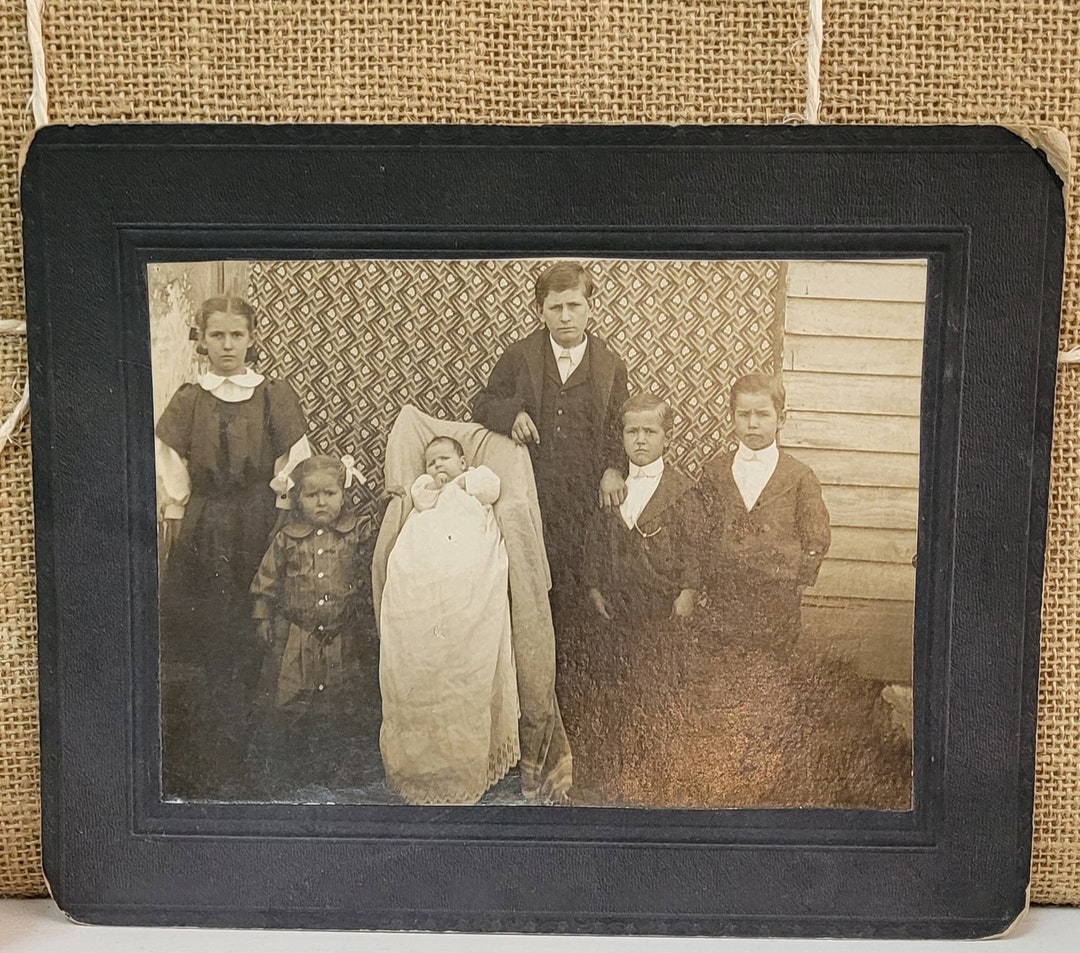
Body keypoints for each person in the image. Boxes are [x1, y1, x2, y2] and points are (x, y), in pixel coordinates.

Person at [156, 295, 311, 798]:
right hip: (204, 527)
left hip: (258, 523)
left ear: (251, 338)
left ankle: (254, 762)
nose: (227, 345)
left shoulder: (273, 396)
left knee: (256, 632)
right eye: (217, 335)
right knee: (207, 638)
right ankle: (206, 758)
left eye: (237, 335)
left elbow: (294, 461)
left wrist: (282, 518)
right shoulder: (189, 398)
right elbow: (170, 461)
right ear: (202, 340)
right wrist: (178, 513)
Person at [471, 261, 629, 619]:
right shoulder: (520, 356)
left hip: (586, 494)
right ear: (539, 310)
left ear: (591, 307)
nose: (565, 316)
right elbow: (482, 403)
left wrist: (613, 468)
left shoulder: (610, 365)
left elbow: (619, 425)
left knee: (583, 584)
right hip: (532, 488)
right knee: (534, 582)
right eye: (555, 307)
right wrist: (512, 414)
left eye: (574, 305)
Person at [378, 436, 520, 804]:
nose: (437, 466)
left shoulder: (475, 479)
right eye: (431, 462)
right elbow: (419, 499)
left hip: (467, 546)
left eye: (444, 459)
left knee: (465, 587)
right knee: (411, 578)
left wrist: (464, 481)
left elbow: (492, 488)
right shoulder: (427, 490)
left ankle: (464, 762)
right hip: (428, 552)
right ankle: (418, 766)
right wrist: (432, 484)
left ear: (462, 461)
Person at [248, 455, 373, 792]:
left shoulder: (354, 534)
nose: (321, 502)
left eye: (329, 494)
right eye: (312, 495)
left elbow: (372, 567)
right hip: (296, 637)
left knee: (339, 701)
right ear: (297, 498)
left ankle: (335, 772)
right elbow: (266, 581)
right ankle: (290, 774)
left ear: (343, 495)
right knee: (291, 699)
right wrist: (262, 617)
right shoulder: (287, 538)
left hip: (340, 636)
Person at [699, 373, 831, 650]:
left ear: (781, 418)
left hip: (777, 600)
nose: (752, 423)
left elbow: (816, 537)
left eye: (762, 414)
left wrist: (796, 582)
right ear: (732, 418)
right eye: (743, 414)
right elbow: (699, 530)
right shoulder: (715, 473)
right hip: (724, 598)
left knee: (772, 666)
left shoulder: (799, 477)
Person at [584, 393, 703, 624]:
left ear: (667, 438)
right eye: (632, 432)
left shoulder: (682, 490)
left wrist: (688, 592)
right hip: (615, 608)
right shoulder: (610, 487)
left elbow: (693, 551)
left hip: (663, 607)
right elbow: (595, 543)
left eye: (649, 432)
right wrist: (594, 589)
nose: (640, 440)